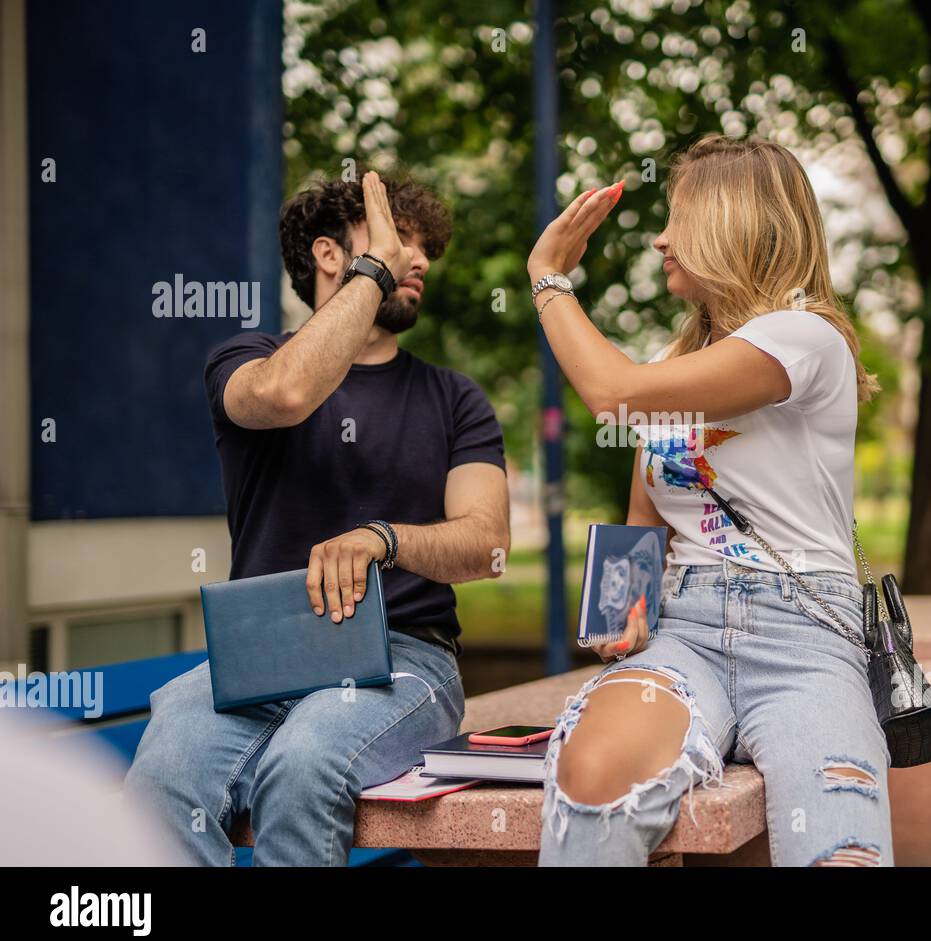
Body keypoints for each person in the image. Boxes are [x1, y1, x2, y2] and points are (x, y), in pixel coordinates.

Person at [124, 172, 510, 866]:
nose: (417, 258)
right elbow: (287, 392)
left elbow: (488, 547)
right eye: (398, 238)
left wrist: (384, 538)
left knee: (303, 767)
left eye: (424, 245)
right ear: (331, 255)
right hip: (259, 658)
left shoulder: (454, 398)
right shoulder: (245, 360)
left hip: (408, 656)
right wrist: (375, 271)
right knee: (159, 783)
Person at [526, 134, 892, 866]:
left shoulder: (806, 338)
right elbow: (647, 516)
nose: (661, 238)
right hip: (683, 632)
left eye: (679, 218)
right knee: (591, 775)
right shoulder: (675, 361)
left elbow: (611, 392)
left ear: (736, 225)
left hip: (806, 644)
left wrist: (547, 278)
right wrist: (615, 618)